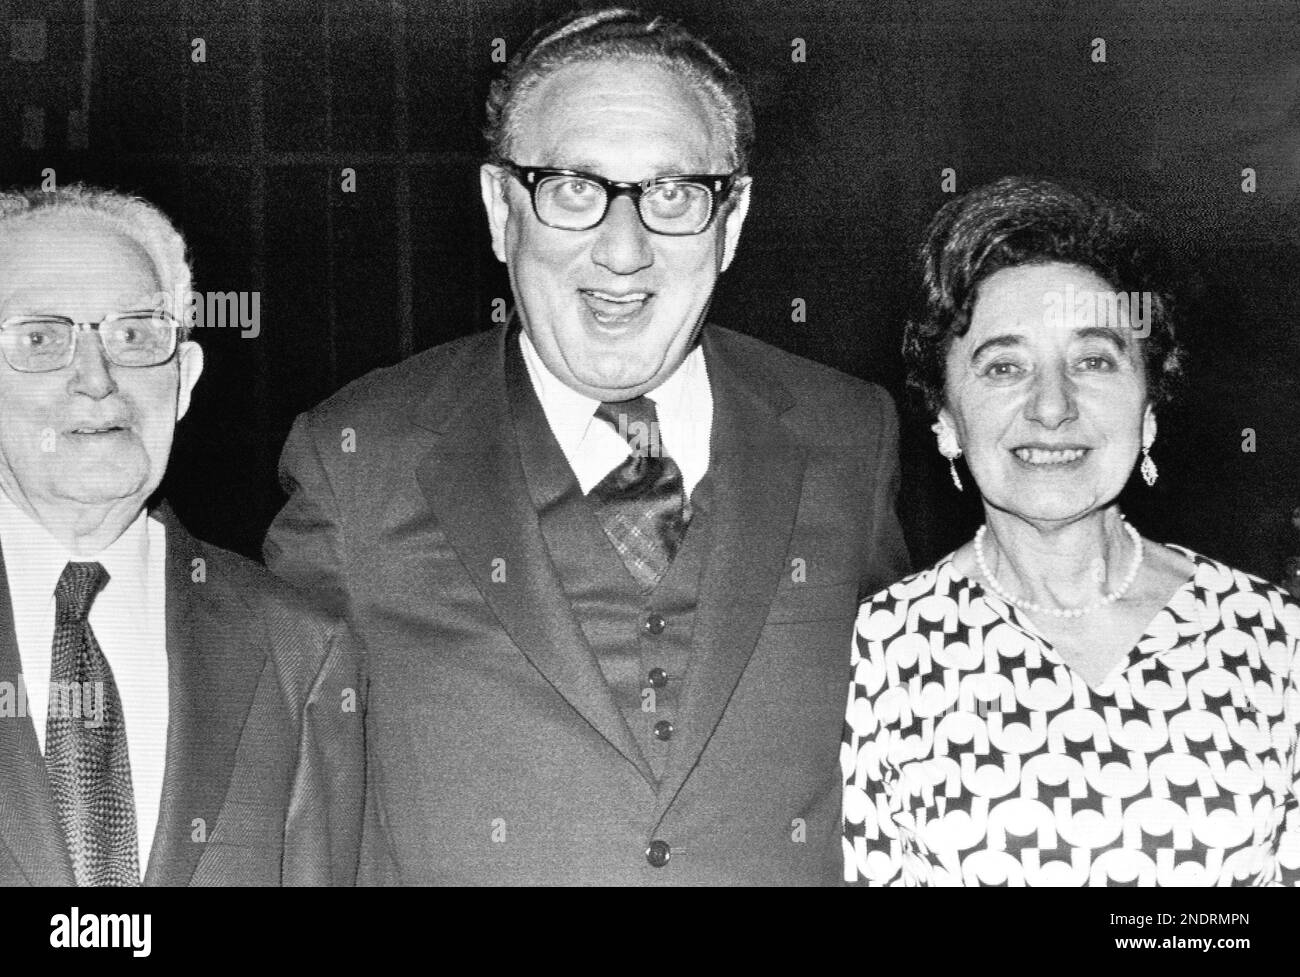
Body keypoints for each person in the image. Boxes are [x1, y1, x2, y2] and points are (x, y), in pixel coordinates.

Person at [266, 7, 908, 885]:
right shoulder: (356, 461)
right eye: (574, 188)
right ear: (501, 208)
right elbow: (285, 817)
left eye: (673, 194)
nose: (623, 249)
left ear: (734, 217)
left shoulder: (850, 438)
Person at [843, 176, 1300, 886]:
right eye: (1004, 366)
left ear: (1148, 406)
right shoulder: (874, 654)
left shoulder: (1274, 637)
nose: (1052, 406)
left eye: (1092, 360)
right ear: (944, 419)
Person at [0, 185, 362, 886]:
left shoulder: (300, 652)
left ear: (184, 379)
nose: (97, 379)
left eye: (134, 335)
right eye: (42, 339)